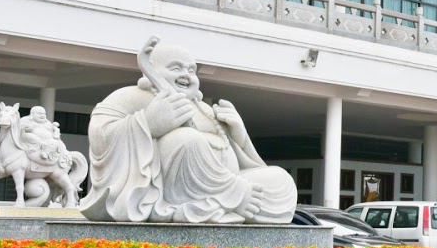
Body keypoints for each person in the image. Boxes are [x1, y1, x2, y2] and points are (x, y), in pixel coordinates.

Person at [83, 37, 297, 224]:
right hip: (171, 191)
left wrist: (239, 138)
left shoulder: (205, 109)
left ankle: (223, 200)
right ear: (152, 71)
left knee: (280, 179)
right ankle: (230, 195)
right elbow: (100, 133)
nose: (186, 75)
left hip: (219, 186)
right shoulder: (133, 96)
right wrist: (147, 123)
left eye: (191, 70)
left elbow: (241, 162)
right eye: (176, 68)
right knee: (186, 139)